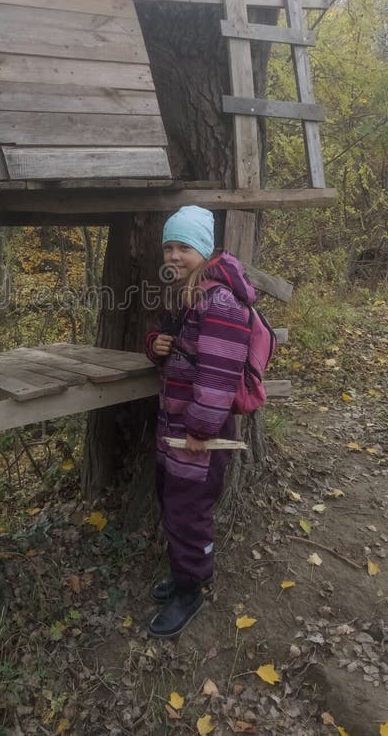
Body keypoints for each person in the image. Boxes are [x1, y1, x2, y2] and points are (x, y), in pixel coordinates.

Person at [144, 205, 256, 638]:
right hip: (176, 428)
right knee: (174, 503)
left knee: (190, 511)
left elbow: (218, 376)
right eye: (169, 247)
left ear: (204, 252)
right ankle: (185, 573)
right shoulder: (188, 297)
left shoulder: (222, 303)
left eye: (184, 247)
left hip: (198, 434)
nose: (173, 255)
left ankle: (191, 590)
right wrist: (156, 345)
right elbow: (167, 346)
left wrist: (200, 431)